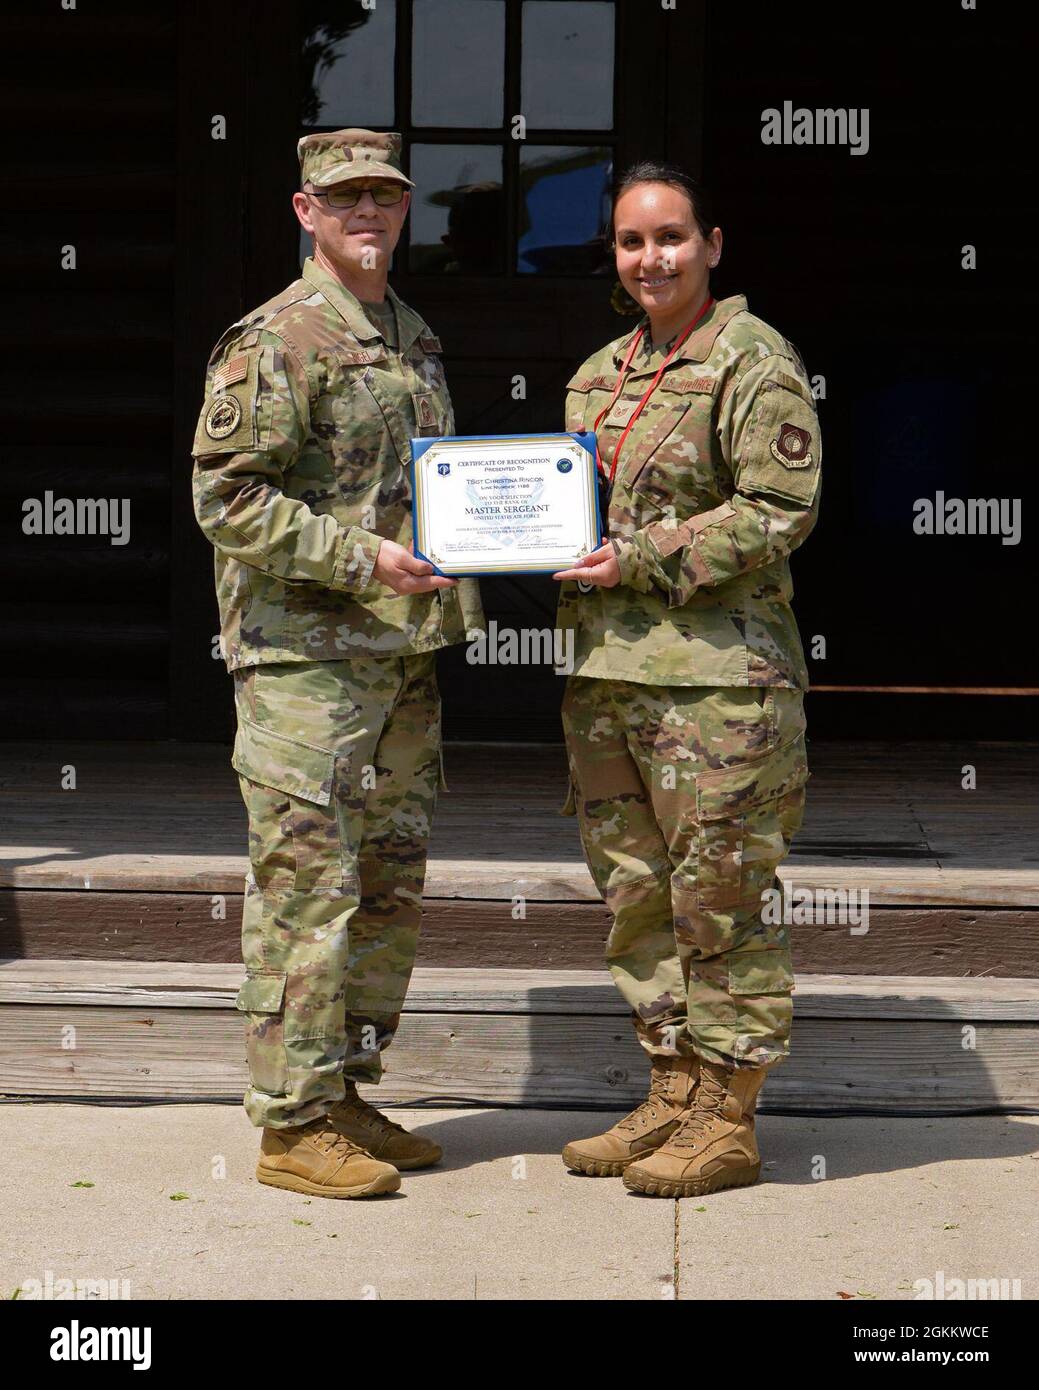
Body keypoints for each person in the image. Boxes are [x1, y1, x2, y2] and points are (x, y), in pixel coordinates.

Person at [191, 128, 484, 1199]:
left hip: (398, 658)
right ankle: (290, 1121)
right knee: (306, 888)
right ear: (304, 210)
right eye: (345, 196)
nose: (370, 212)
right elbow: (226, 497)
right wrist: (361, 559)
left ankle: (347, 1088)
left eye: (387, 196)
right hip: (305, 662)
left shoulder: (409, 333)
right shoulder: (276, 338)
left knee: (387, 882)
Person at [552, 161, 821, 1197]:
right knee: (636, 895)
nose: (650, 258)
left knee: (722, 895)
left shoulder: (756, 362)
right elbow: (570, 512)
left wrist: (644, 555)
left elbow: (777, 508)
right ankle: (670, 1087)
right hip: (610, 678)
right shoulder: (596, 375)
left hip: (721, 686)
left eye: (669, 236)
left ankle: (729, 1113)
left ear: (711, 242)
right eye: (630, 241)